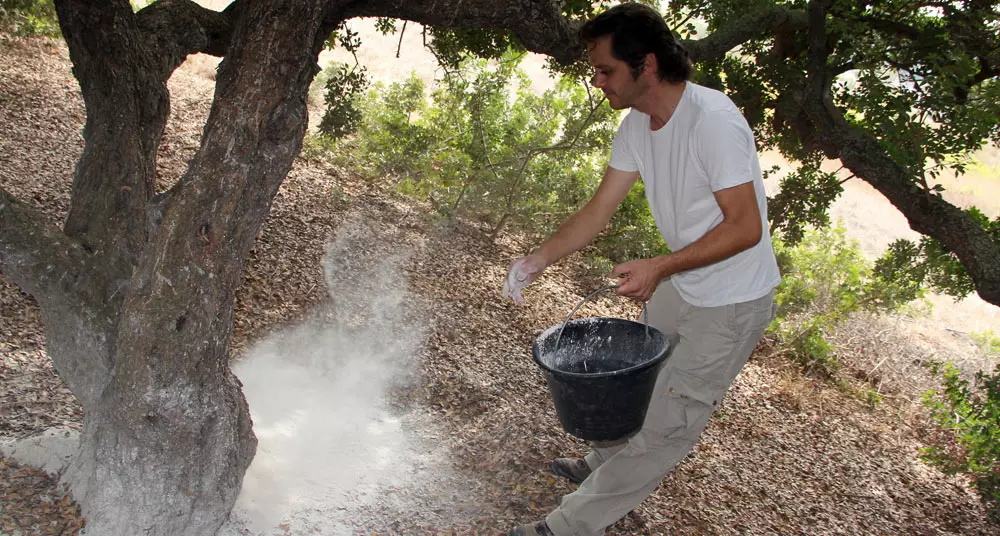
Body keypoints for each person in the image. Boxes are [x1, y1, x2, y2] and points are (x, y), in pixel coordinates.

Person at [500, 3, 781, 536]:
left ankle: (566, 527)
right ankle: (600, 465)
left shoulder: (713, 121)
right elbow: (598, 209)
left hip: (732, 300)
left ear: (645, 64)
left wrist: (660, 265)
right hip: (681, 283)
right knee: (634, 386)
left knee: (667, 427)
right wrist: (537, 258)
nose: (597, 80)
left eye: (605, 69)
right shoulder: (636, 125)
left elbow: (745, 227)